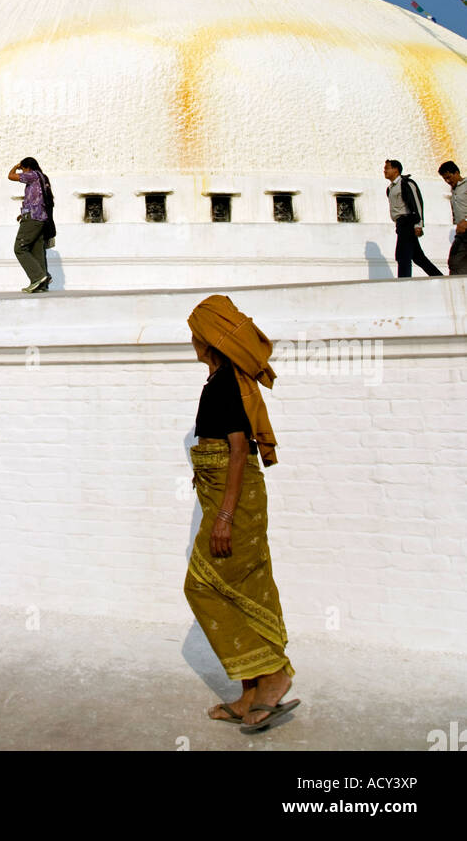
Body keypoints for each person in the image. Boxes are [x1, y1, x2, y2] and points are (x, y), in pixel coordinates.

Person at [184, 295, 299, 735]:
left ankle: (275, 674)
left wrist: (225, 517)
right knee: (240, 588)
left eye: (196, 333)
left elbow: (237, 451)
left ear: (209, 339)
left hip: (237, 501)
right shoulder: (218, 381)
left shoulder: (228, 383)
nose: (191, 341)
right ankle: (251, 693)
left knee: (203, 586)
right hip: (223, 496)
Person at [383, 159, 442, 278]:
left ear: (396, 169)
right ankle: (438, 276)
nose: (384, 171)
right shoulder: (390, 188)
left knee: (402, 255)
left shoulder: (406, 183)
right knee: (418, 257)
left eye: (387, 168)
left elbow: (417, 203)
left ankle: (404, 282)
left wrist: (418, 224)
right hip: (400, 223)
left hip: (408, 221)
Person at [8, 157, 55, 292]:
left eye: (23, 169)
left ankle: (38, 277)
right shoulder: (42, 177)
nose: (22, 171)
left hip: (32, 218)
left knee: (20, 248)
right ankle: (42, 283)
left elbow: (10, 176)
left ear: (27, 167)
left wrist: (16, 166)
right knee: (37, 250)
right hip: (41, 218)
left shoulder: (32, 175)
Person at [437, 161, 467, 276]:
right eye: (445, 179)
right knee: (455, 262)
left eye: (449, 177)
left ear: (457, 172)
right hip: (462, 232)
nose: (448, 181)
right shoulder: (453, 190)